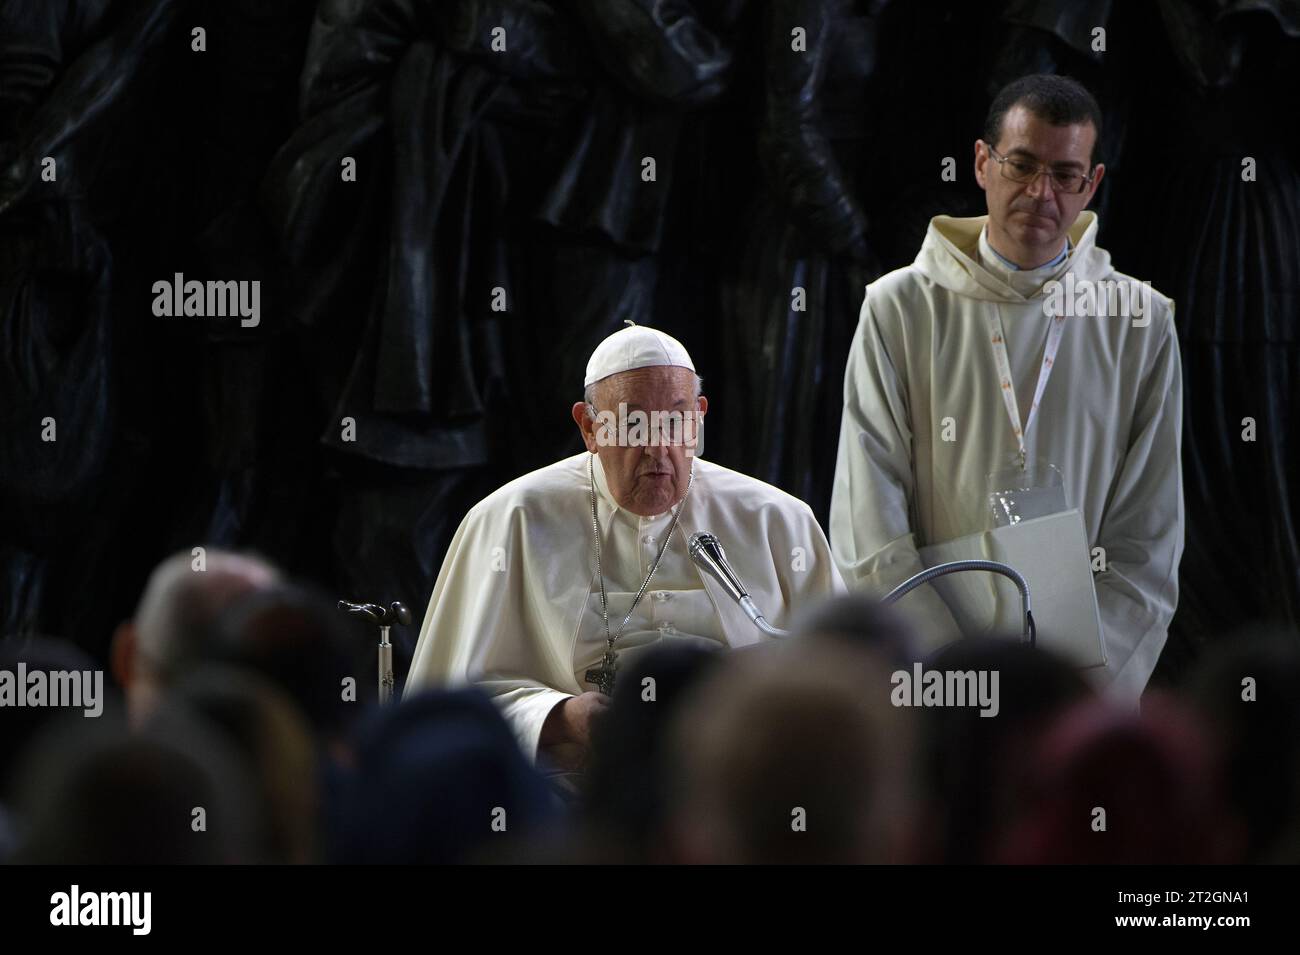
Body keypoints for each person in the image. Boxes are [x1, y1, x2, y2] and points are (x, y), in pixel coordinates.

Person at [830, 74, 1184, 701]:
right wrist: (946, 672)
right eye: (1021, 165)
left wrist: (1079, 693)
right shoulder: (901, 308)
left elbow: (1147, 536)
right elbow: (869, 517)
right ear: (982, 163)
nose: (1040, 192)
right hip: (934, 674)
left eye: (1065, 174)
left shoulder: (1139, 320)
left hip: (1075, 687)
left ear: (1091, 184)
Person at [405, 323, 844, 771]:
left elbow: (840, 684)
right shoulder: (511, 518)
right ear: (589, 427)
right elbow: (445, 711)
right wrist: (558, 717)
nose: (657, 449)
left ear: (699, 417)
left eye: (676, 421)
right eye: (633, 424)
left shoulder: (778, 520)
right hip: (572, 797)